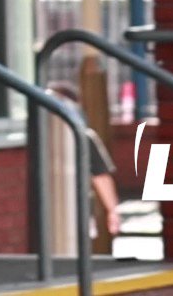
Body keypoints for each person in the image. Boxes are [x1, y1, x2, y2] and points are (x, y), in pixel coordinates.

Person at [45, 81, 121, 238]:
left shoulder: (39, 137)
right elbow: (101, 176)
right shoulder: (84, 137)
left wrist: (113, 211)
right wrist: (112, 210)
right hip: (77, 211)